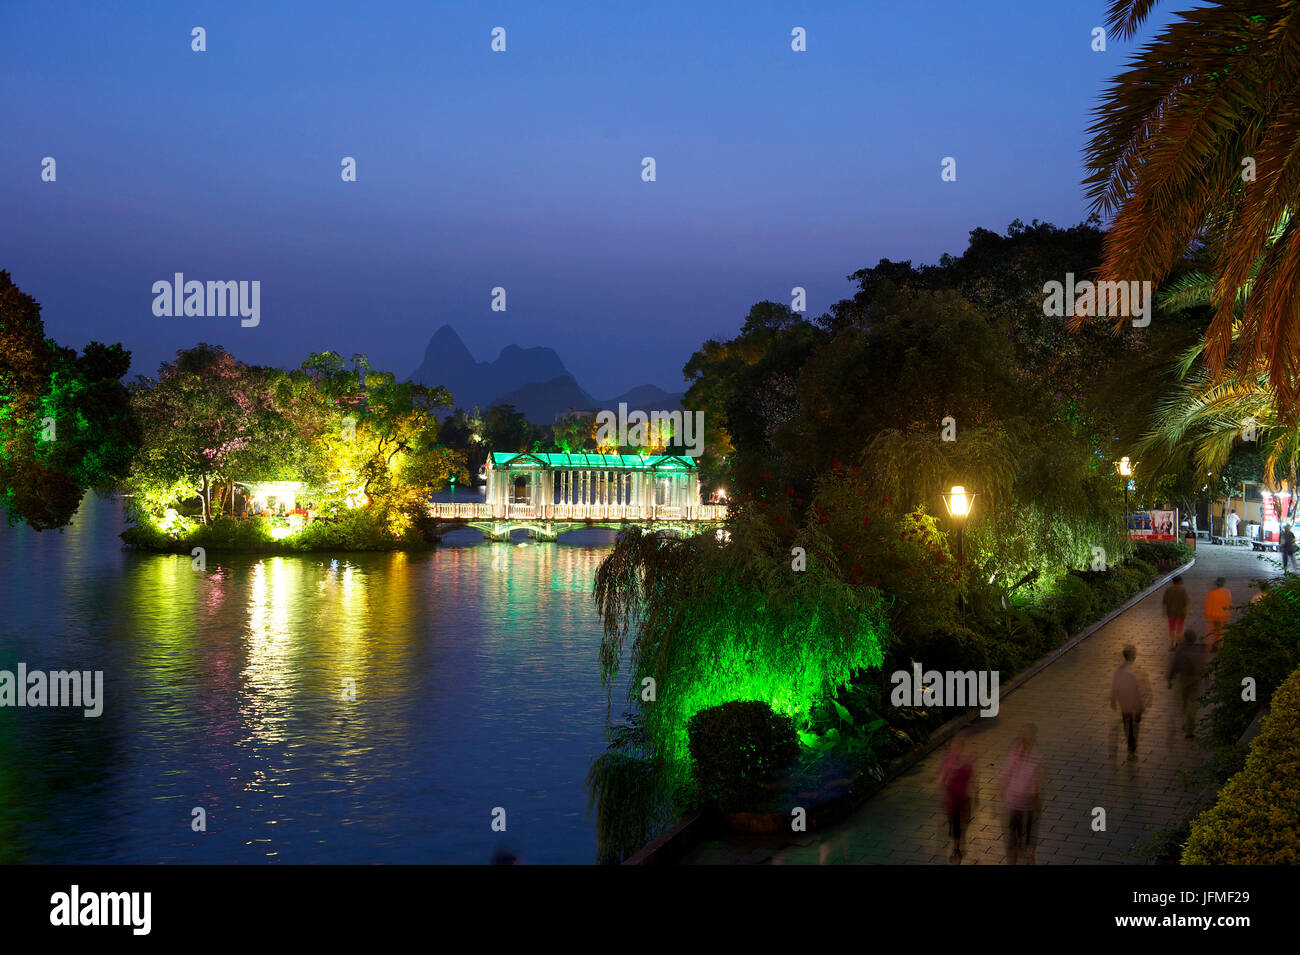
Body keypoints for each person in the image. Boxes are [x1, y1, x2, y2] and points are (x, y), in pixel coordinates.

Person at [998, 725, 1042, 865]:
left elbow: (1036, 782)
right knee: (1013, 846)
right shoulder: (1015, 753)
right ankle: (1019, 848)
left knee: (1029, 847)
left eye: (1027, 736)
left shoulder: (1035, 757)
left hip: (1027, 807)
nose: (1024, 739)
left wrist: (1035, 802)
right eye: (1023, 735)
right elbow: (1005, 775)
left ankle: (1026, 851)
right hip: (1014, 806)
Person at [937, 729, 975, 864]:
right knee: (955, 822)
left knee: (959, 823)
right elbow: (941, 779)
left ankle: (956, 845)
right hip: (952, 799)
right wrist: (943, 793)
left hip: (962, 799)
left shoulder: (966, 761)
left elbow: (971, 778)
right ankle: (956, 845)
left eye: (959, 747)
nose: (957, 750)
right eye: (955, 747)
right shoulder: (948, 761)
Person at [1110, 645, 1152, 758]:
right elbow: (1145, 686)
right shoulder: (1138, 670)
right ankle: (1133, 743)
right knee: (1136, 724)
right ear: (1134, 656)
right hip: (1137, 704)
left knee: (1127, 723)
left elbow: (1115, 686)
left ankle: (1130, 743)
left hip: (1125, 704)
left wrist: (1113, 700)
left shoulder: (1119, 671)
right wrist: (1148, 699)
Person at [1167, 628, 1203, 739]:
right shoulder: (1198, 650)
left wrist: (1170, 679)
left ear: (1185, 639)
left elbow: (1174, 665)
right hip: (1196, 679)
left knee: (1184, 701)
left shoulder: (1181, 650)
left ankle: (1187, 721)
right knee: (1193, 701)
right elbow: (1203, 665)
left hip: (1184, 679)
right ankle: (1190, 726)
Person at [1204, 577, 1232, 652]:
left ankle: (1208, 648)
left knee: (1211, 633)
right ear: (1223, 584)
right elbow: (1228, 605)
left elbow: (1209, 605)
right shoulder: (1227, 593)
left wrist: (1207, 615)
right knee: (1221, 633)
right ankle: (1220, 649)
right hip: (1223, 616)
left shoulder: (1211, 593)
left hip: (1213, 616)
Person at [1161, 575, 1189, 651]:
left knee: (1172, 628)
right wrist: (1186, 611)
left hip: (1171, 613)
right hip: (1181, 613)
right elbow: (1186, 603)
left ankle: (1172, 644)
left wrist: (1163, 611)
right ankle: (1179, 644)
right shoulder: (1183, 590)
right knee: (1180, 629)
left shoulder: (1168, 590)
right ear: (1180, 582)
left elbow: (1164, 602)